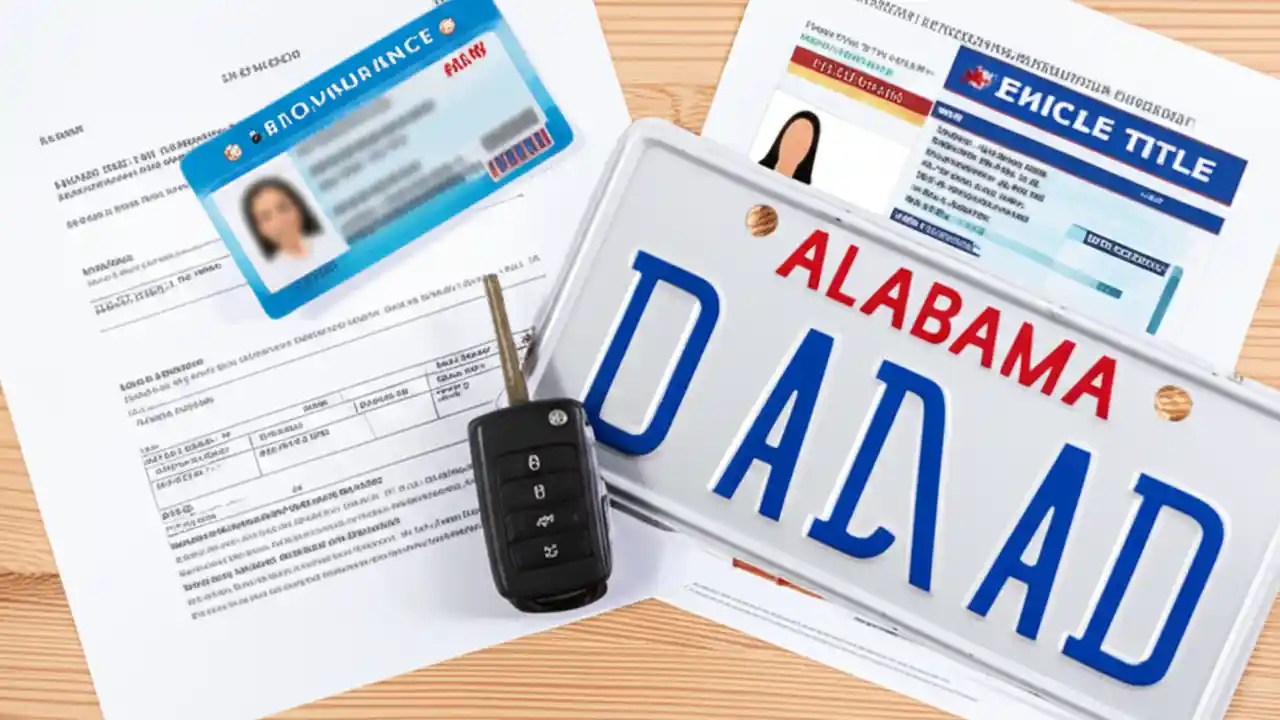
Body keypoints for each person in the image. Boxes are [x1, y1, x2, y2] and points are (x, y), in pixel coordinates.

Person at [242, 178, 324, 261]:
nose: (280, 221)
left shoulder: (329, 243)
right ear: (258, 229)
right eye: (266, 217)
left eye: (283, 208)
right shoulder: (272, 271)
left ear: (298, 207)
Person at [759, 111, 821, 184]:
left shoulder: (802, 192)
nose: (794, 145)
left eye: (801, 142)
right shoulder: (757, 172)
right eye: (791, 136)